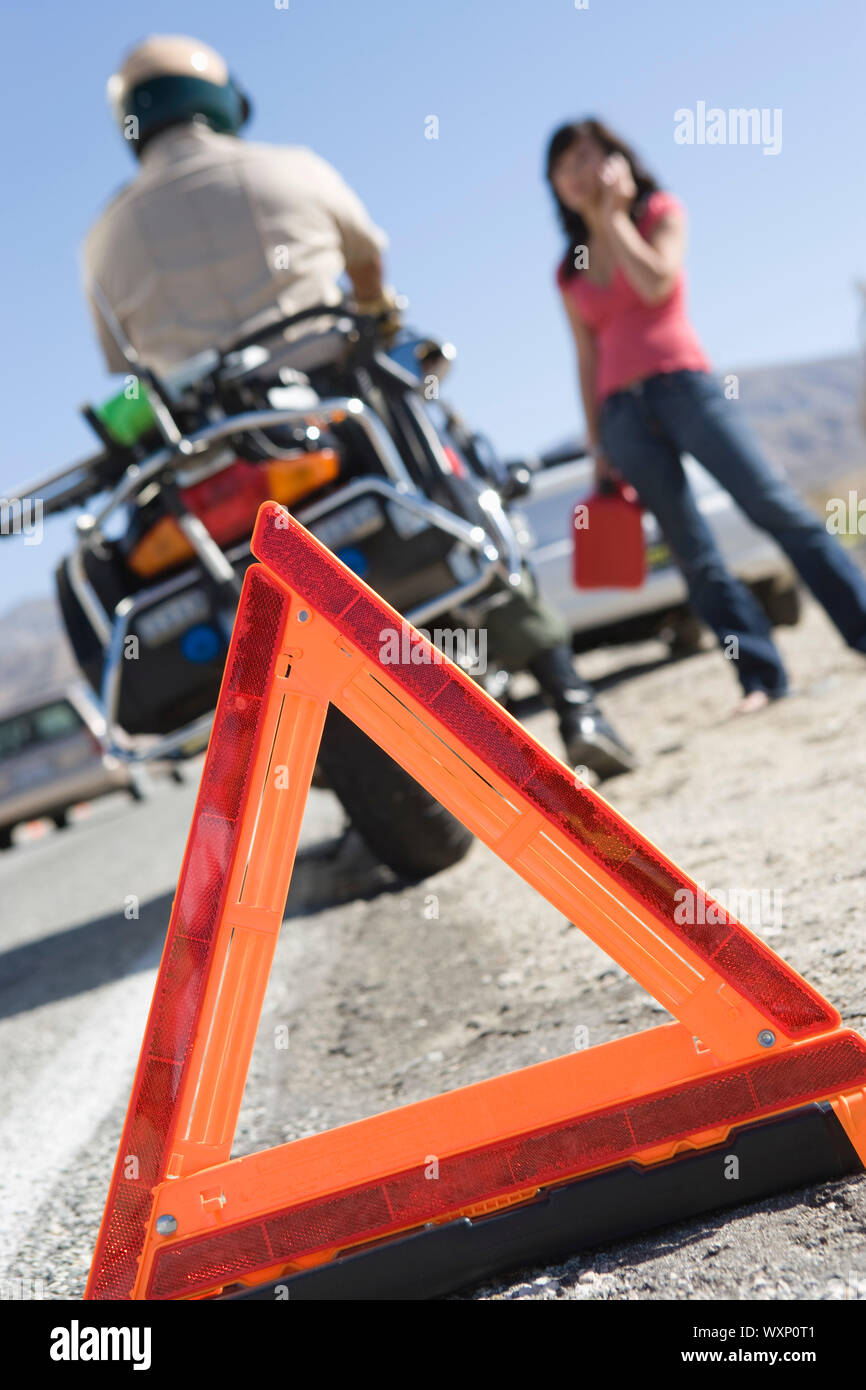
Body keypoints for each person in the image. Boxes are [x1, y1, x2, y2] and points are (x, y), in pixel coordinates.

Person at [82, 37, 634, 778]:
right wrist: (372, 311)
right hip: (338, 415)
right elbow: (367, 259)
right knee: (458, 484)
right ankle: (574, 703)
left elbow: (122, 369)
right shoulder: (289, 168)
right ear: (215, 95)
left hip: (209, 451)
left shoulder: (103, 236)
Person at [546, 117, 866, 712]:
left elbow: (654, 285)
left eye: (587, 156)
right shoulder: (569, 270)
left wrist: (614, 218)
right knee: (691, 551)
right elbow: (585, 355)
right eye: (564, 167)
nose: (578, 173)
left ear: (616, 159)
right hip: (621, 415)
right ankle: (759, 677)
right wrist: (598, 442)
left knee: (772, 505)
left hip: (684, 388)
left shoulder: (658, 212)